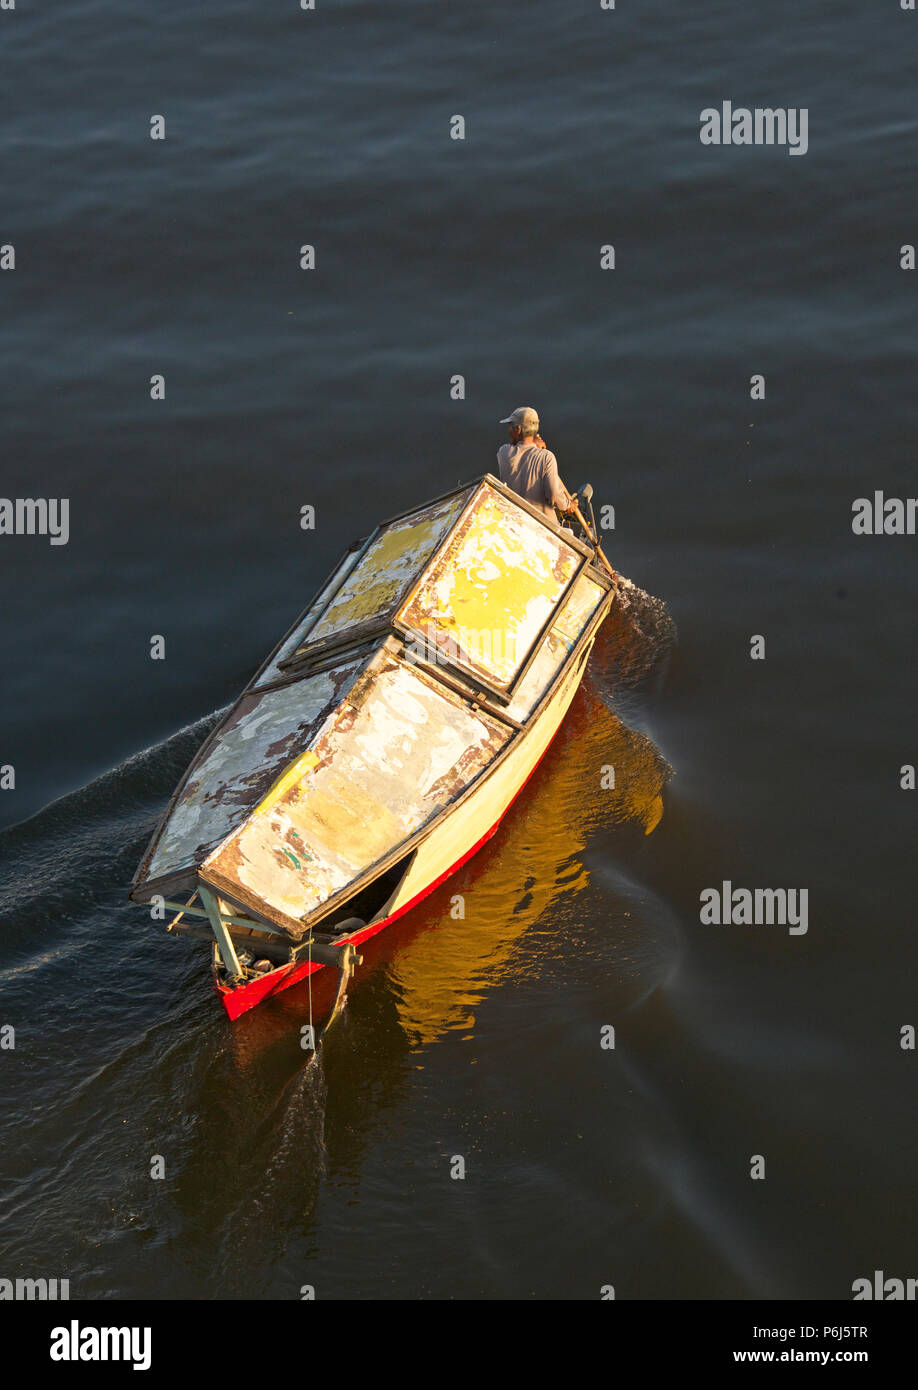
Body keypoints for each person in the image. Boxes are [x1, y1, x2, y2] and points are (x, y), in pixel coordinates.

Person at [496, 406, 576, 527]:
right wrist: (568, 505)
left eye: (510, 427)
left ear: (518, 430)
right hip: (544, 527)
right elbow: (554, 495)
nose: (509, 431)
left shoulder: (503, 453)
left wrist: (534, 445)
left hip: (514, 522)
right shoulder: (547, 457)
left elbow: (515, 448)